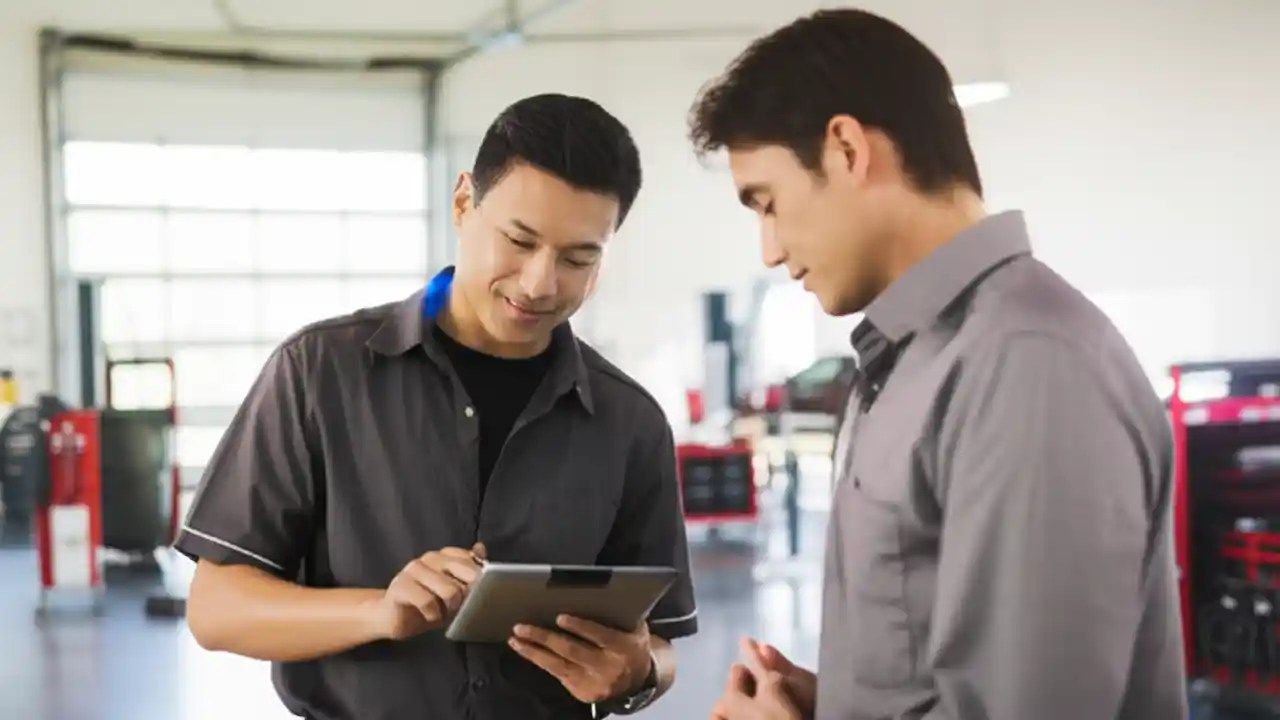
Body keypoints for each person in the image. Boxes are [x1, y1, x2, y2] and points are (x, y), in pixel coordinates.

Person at [689, 9, 1185, 720]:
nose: (768, 248)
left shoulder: (1024, 367)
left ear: (846, 150)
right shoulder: (912, 362)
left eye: (768, 203)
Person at [176, 93, 698, 720]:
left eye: (578, 258)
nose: (540, 283)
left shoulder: (629, 421)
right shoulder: (319, 373)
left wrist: (637, 673)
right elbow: (215, 609)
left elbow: (660, 642)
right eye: (519, 240)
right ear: (462, 203)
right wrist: (377, 611)